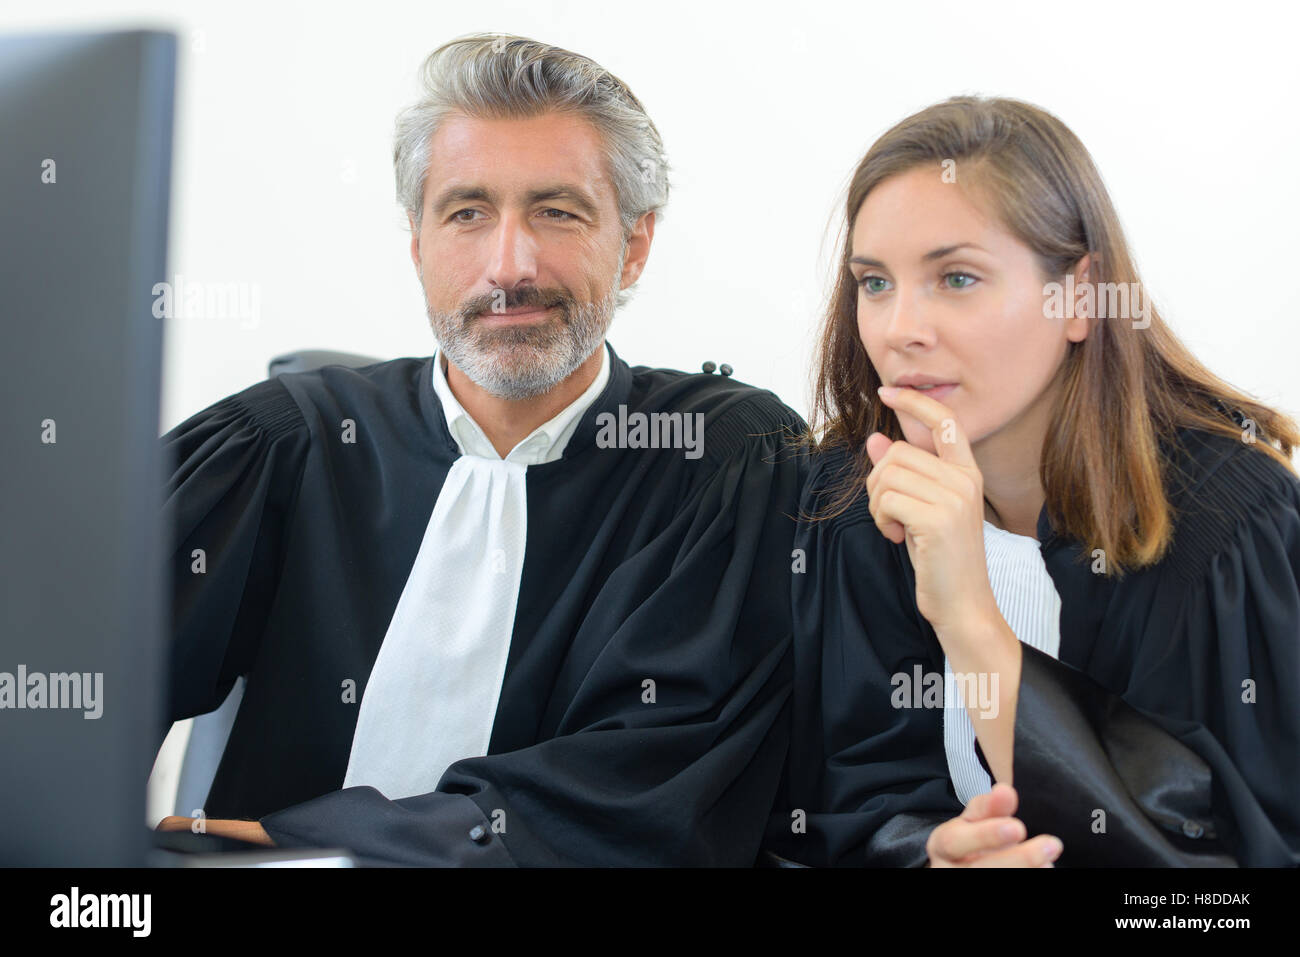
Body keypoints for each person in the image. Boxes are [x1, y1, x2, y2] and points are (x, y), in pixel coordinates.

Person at [153, 34, 805, 866]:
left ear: (635, 242)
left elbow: (651, 786)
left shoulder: (725, 462)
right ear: (418, 242)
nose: (509, 265)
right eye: (466, 212)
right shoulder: (280, 444)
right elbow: (74, 688)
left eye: (557, 210)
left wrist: (294, 843)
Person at [763, 96, 1300, 867]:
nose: (899, 327)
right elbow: (832, 815)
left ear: (1081, 296)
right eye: (874, 283)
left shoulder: (1230, 528)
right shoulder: (853, 498)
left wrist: (971, 618)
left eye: (955, 277)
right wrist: (930, 857)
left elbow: (1220, 885)